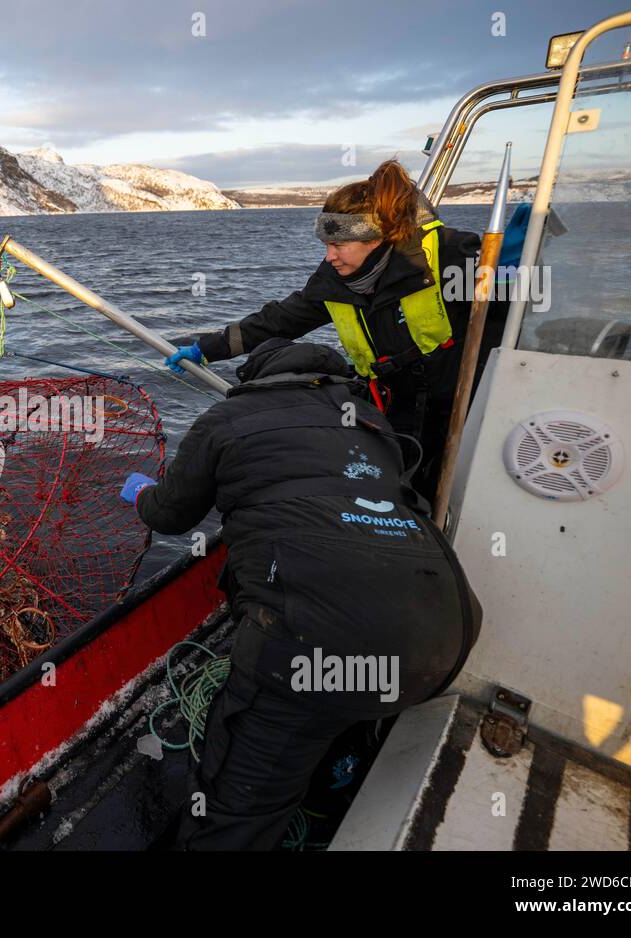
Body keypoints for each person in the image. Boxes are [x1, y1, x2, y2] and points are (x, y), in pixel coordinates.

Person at [120, 338, 482, 850]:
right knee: (350, 700)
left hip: (317, 643)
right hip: (447, 631)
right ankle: (335, 778)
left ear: (254, 378)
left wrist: (141, 494)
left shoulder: (227, 418)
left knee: (236, 806)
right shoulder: (370, 420)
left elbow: (170, 515)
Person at [164, 160, 504, 498]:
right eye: (326, 246)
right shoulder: (333, 281)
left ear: (374, 238)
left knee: (451, 497)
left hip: (461, 411)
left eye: (338, 245)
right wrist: (208, 349)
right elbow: (279, 319)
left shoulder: (448, 257)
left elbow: (519, 311)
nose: (330, 257)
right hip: (390, 411)